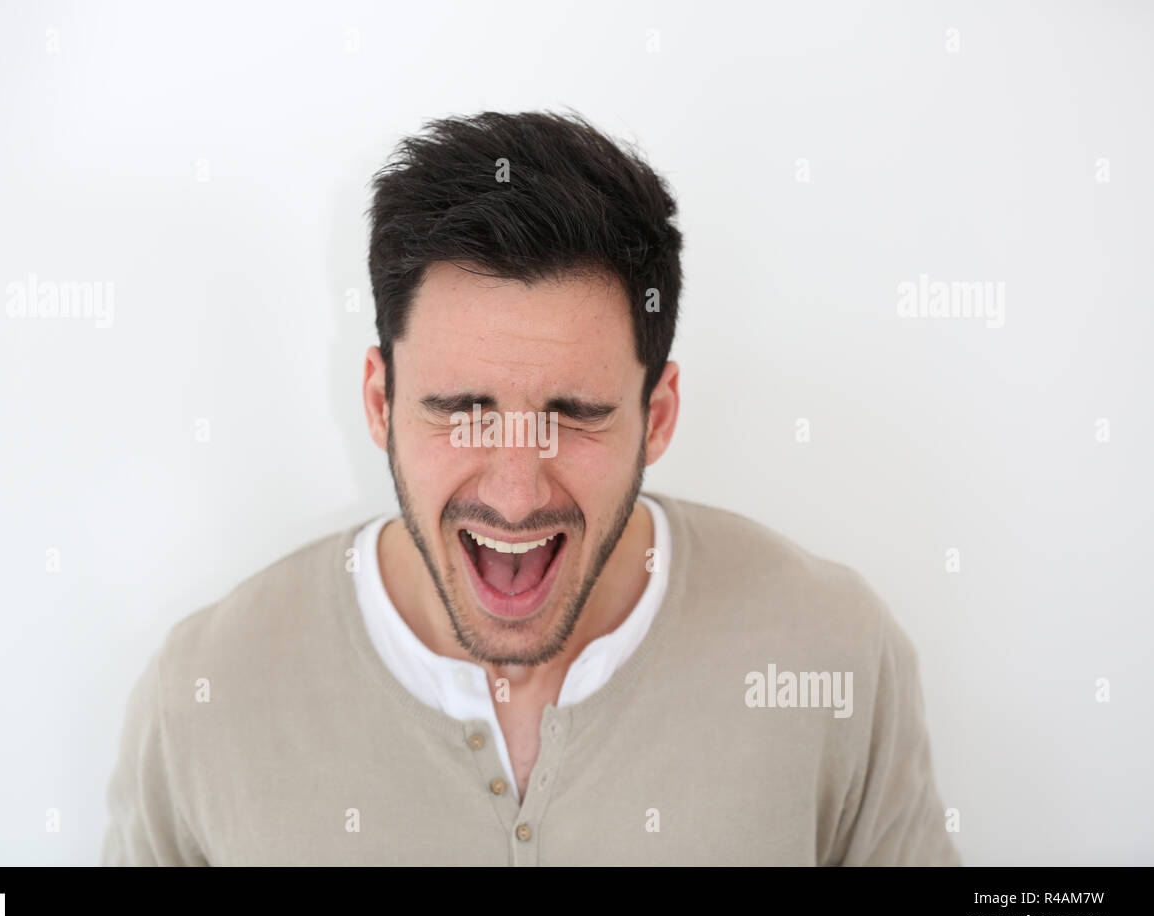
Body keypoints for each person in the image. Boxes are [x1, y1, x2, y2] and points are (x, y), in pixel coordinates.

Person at [102, 110, 960, 866]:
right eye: (464, 409)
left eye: (574, 413)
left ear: (657, 416)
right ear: (379, 401)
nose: (515, 494)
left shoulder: (835, 654)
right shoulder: (204, 698)